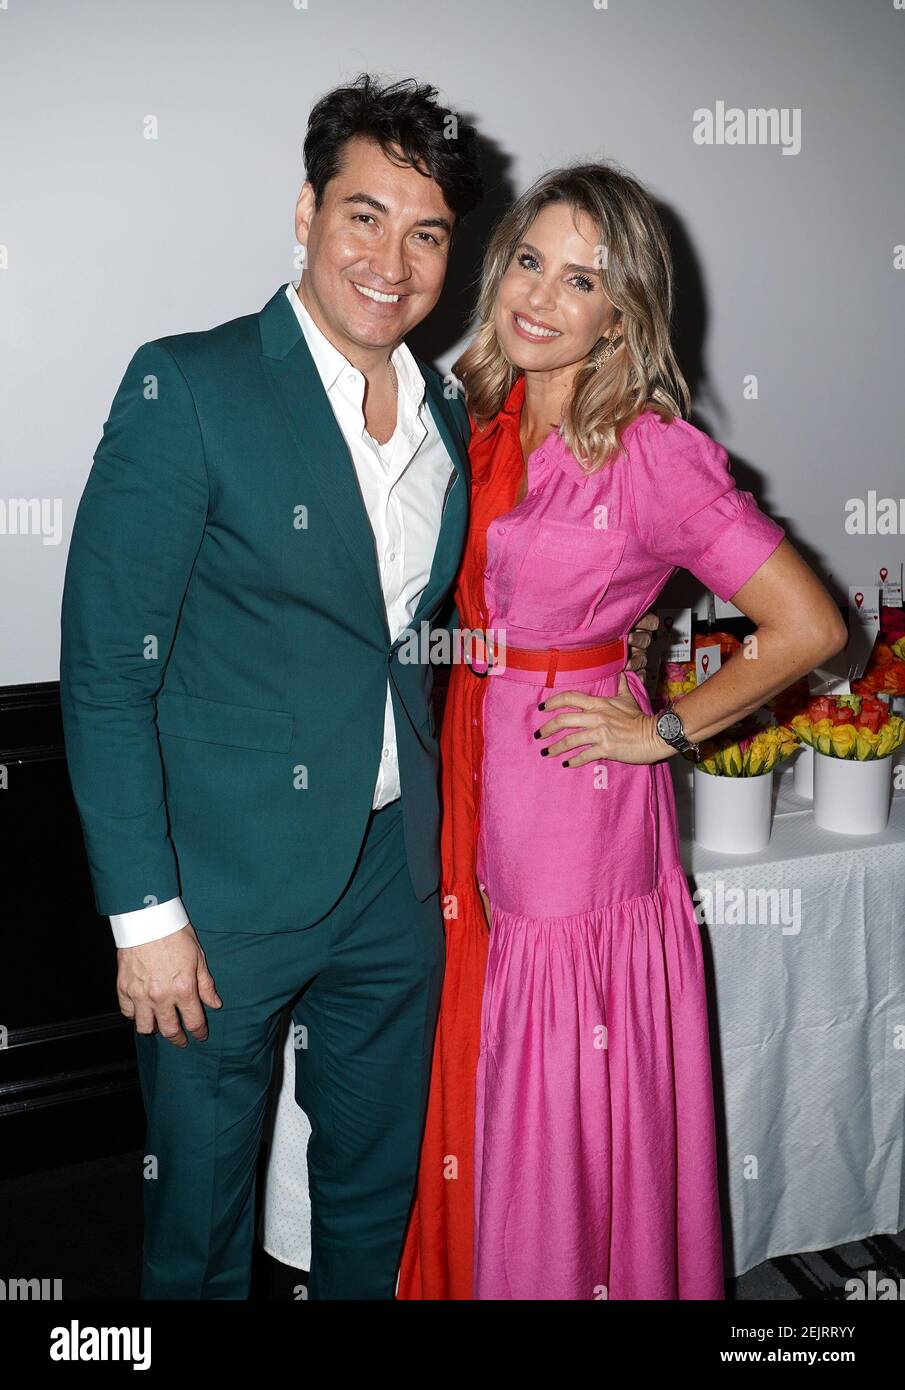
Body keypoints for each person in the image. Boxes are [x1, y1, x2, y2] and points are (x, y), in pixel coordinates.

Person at [397, 161, 847, 1300]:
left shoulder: (650, 452)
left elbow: (806, 624)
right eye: (531, 261)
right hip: (466, 758)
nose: (540, 296)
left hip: (569, 784)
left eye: (582, 278)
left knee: (555, 1048)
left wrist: (662, 730)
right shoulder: (473, 414)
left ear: (621, 310)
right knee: (481, 1035)